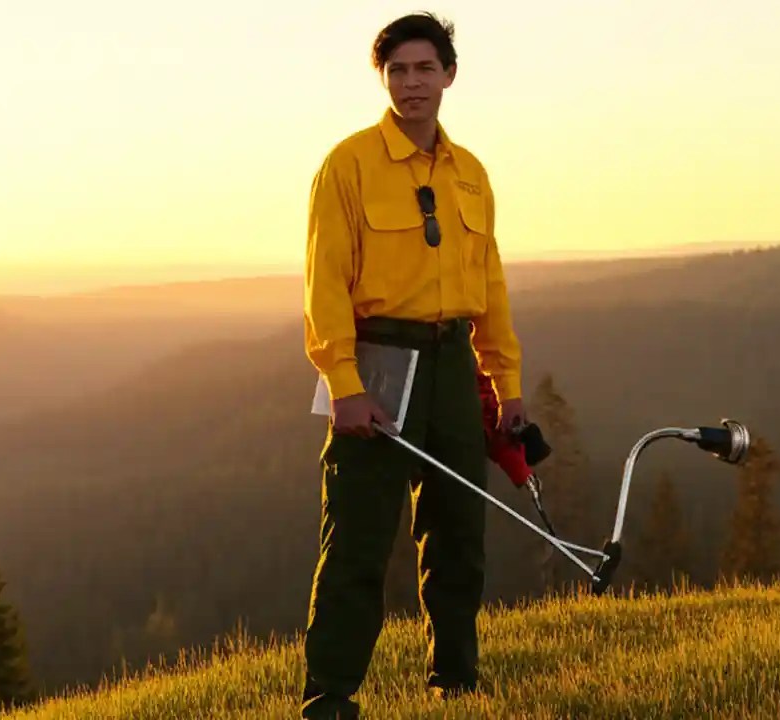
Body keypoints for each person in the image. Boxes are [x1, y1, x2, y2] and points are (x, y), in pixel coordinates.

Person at [300, 11, 525, 719]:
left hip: (453, 363)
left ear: (449, 74)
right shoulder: (348, 165)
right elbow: (324, 286)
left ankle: (455, 682)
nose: (411, 82)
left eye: (425, 68)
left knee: (458, 533)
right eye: (397, 70)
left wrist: (506, 385)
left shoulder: (472, 175)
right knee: (358, 538)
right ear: (384, 79)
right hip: (378, 359)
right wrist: (343, 383)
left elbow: (490, 286)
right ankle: (330, 698)